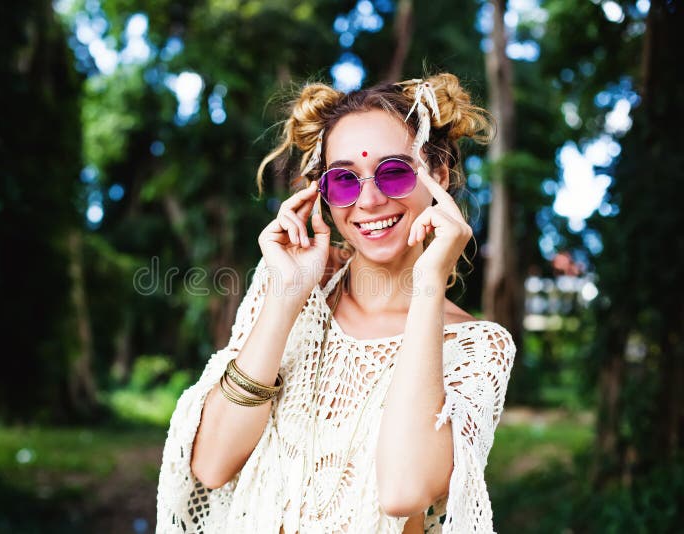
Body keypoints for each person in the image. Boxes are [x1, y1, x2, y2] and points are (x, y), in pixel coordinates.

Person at [155, 72, 517, 534]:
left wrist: (429, 283)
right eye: (344, 180)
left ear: (439, 176)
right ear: (321, 193)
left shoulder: (478, 347)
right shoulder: (292, 297)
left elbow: (404, 491)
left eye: (394, 172)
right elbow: (211, 464)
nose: (368, 200)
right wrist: (286, 298)